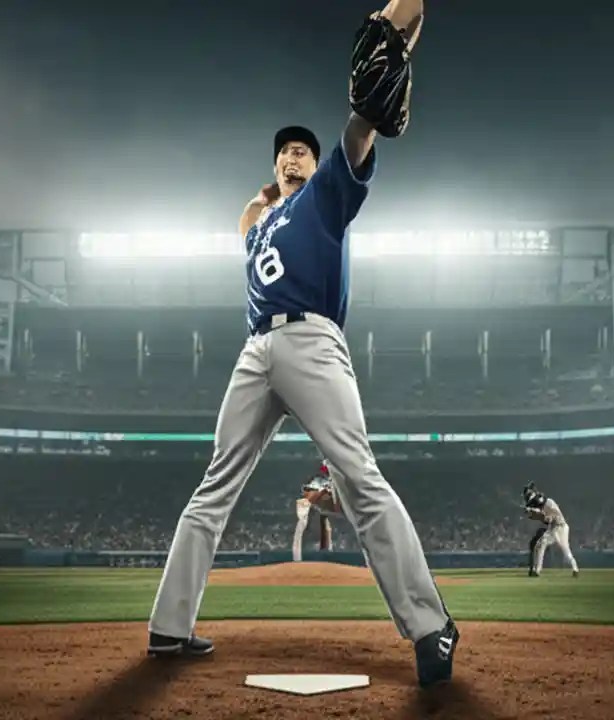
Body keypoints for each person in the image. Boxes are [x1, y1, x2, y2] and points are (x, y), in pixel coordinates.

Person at [146, 0, 458, 688]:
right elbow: (244, 221)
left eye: (301, 148)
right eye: (284, 148)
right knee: (214, 484)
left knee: (356, 476)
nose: (293, 152)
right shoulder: (259, 226)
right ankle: (169, 628)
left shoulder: (326, 194)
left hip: (314, 341)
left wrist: (403, 27)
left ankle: (431, 626)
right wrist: (260, 202)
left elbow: (364, 123)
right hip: (256, 350)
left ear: (314, 163)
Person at [523, 483, 580, 577]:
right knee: (540, 544)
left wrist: (533, 511)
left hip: (561, 527)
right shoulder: (542, 504)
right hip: (553, 528)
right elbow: (542, 518)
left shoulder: (549, 503)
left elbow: (548, 518)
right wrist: (532, 513)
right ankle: (537, 571)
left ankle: (575, 568)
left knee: (565, 548)